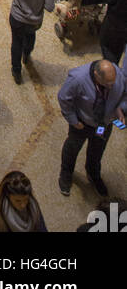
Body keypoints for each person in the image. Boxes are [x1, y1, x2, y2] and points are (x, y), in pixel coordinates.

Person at [57, 58, 127, 196]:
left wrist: (120, 108)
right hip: (82, 124)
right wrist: (73, 120)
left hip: (103, 125)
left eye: (113, 83)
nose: (112, 86)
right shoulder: (78, 78)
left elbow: (124, 94)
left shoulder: (117, 75)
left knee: (97, 150)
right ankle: (66, 173)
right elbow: (64, 97)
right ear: (96, 75)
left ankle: (93, 174)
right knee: (72, 148)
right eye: (108, 84)